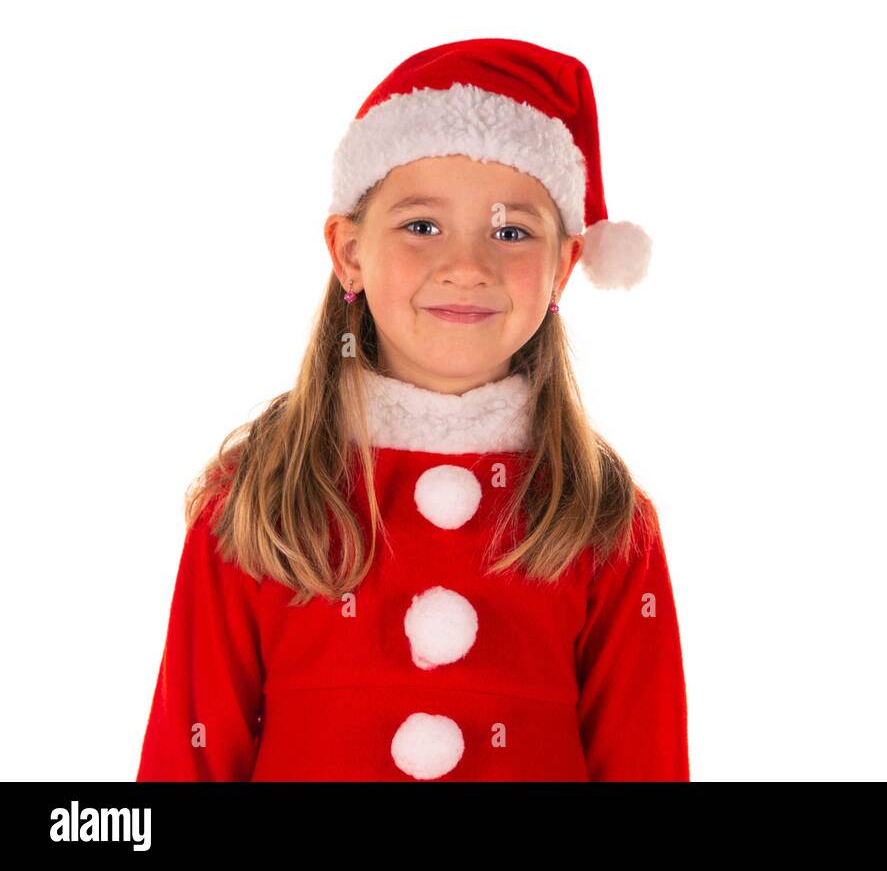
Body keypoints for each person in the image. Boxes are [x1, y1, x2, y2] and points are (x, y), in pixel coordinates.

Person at [135, 38, 687, 781]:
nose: (467, 266)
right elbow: (185, 761)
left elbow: (644, 760)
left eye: (512, 232)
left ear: (563, 266)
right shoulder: (253, 500)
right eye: (422, 226)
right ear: (350, 252)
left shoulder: (605, 518)